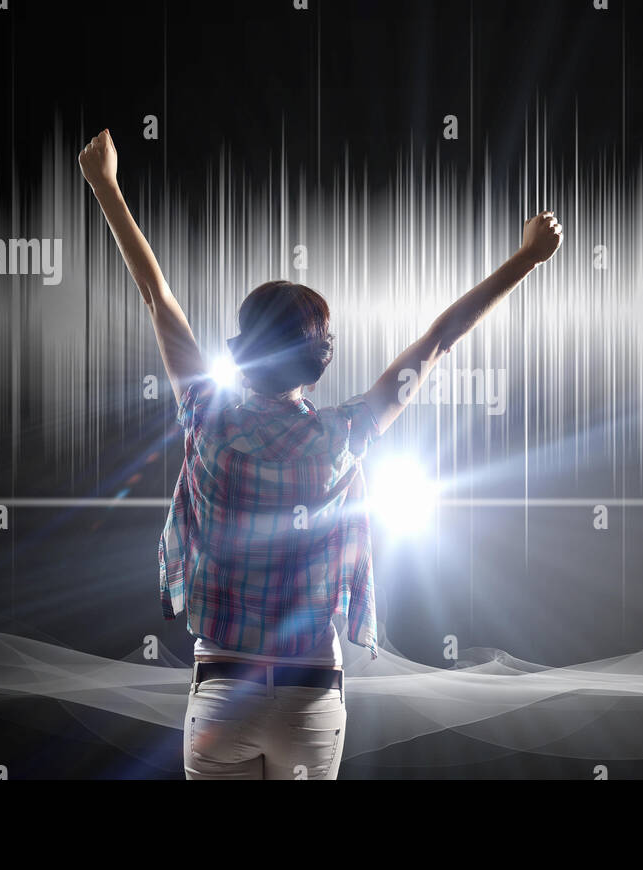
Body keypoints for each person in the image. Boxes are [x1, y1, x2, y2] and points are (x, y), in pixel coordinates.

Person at [78, 128, 562, 779]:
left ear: (242, 348)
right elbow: (439, 341)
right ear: (319, 356)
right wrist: (525, 259)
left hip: (223, 691)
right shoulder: (347, 434)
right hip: (311, 697)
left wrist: (106, 185)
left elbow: (156, 295)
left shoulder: (206, 417)